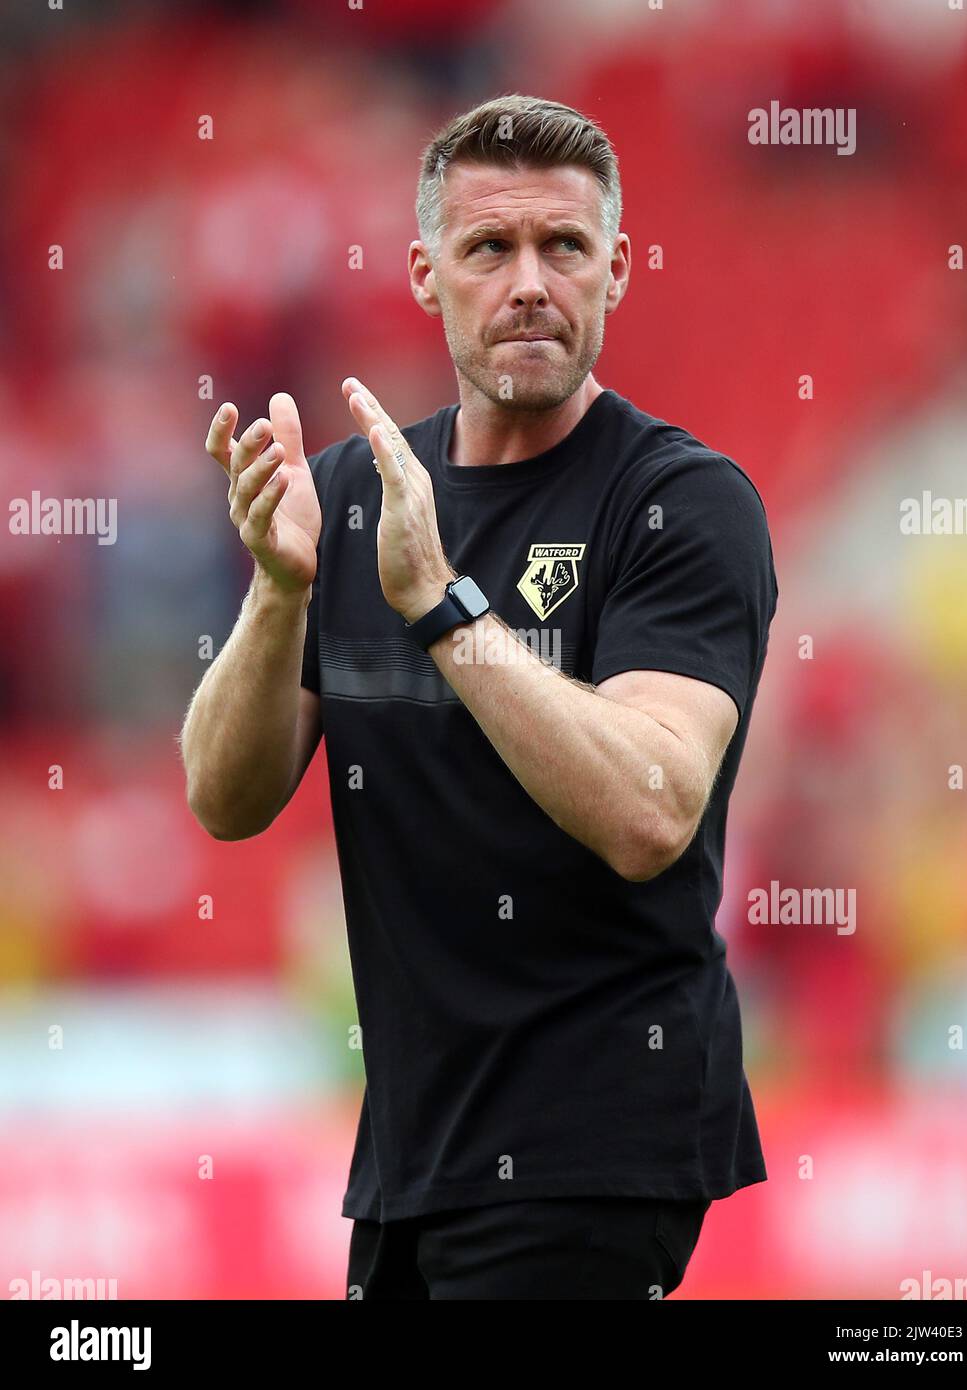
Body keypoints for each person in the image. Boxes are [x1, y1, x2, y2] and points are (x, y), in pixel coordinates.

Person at [181, 94, 778, 1301]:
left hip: (595, 1147)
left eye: (563, 248)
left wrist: (445, 606)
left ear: (615, 271)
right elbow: (222, 798)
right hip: (411, 1152)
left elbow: (649, 809)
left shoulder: (681, 502)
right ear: (423, 273)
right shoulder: (355, 494)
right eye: (486, 248)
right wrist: (279, 591)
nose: (527, 283)